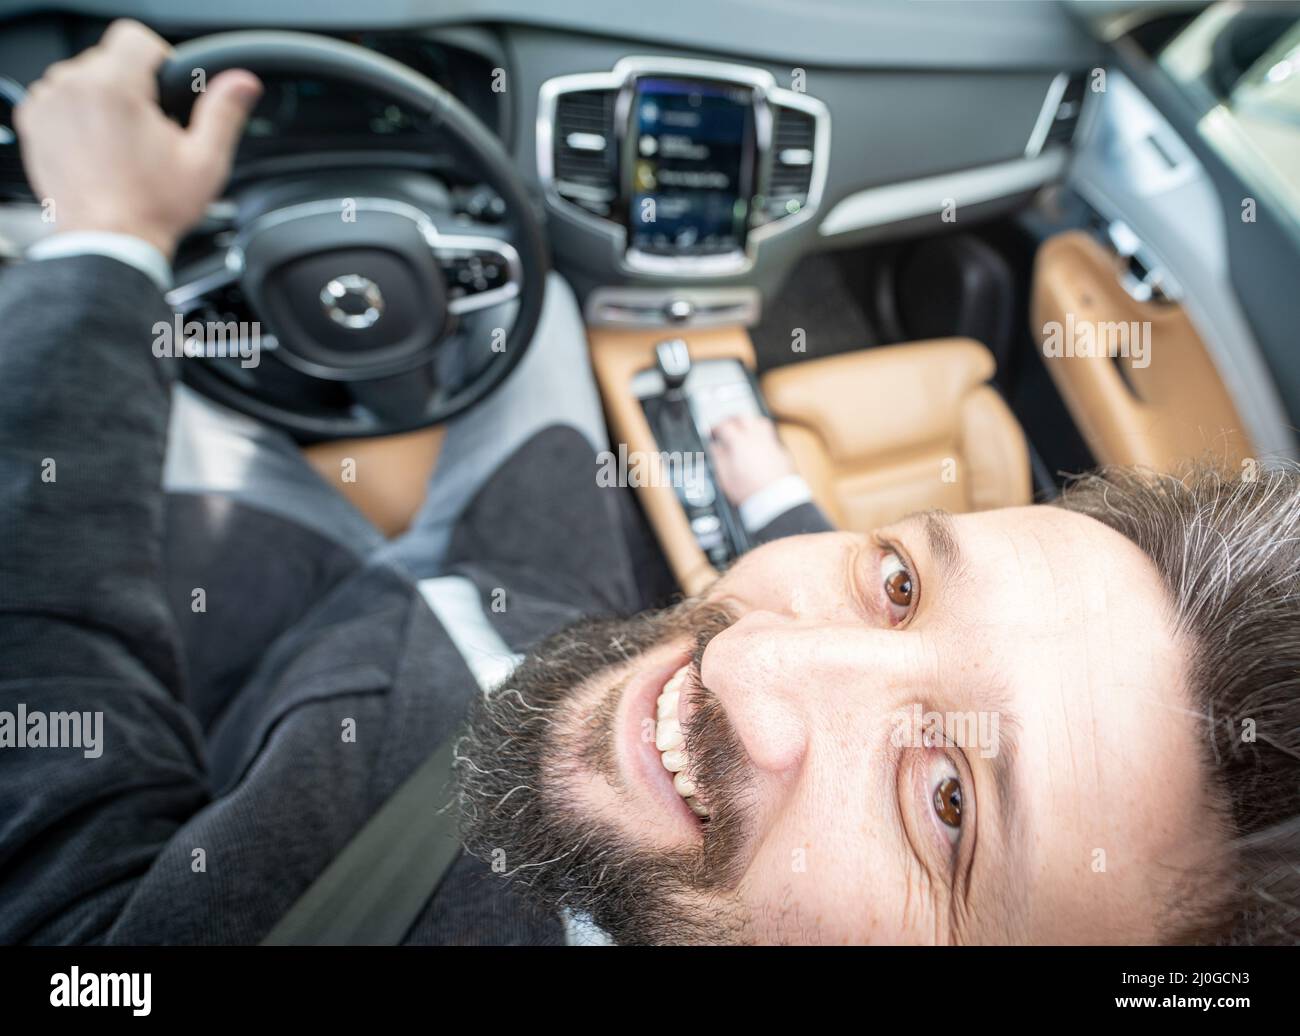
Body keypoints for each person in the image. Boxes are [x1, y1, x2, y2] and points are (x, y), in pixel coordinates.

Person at [2, 21, 1297, 947]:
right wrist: (776, 494)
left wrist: (106, 244)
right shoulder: (701, 691)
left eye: (948, 807)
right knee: (547, 302)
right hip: (534, 592)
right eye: (899, 581)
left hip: (296, 655)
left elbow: (51, 732)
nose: (747, 666)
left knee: (152, 408)